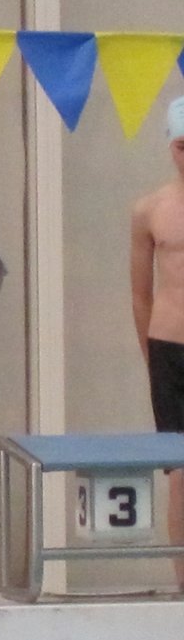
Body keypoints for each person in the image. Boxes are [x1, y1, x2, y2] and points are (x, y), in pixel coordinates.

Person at [129, 95, 184, 588]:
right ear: (171, 147)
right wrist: (150, 358)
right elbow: (140, 293)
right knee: (179, 476)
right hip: (170, 349)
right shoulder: (149, 210)